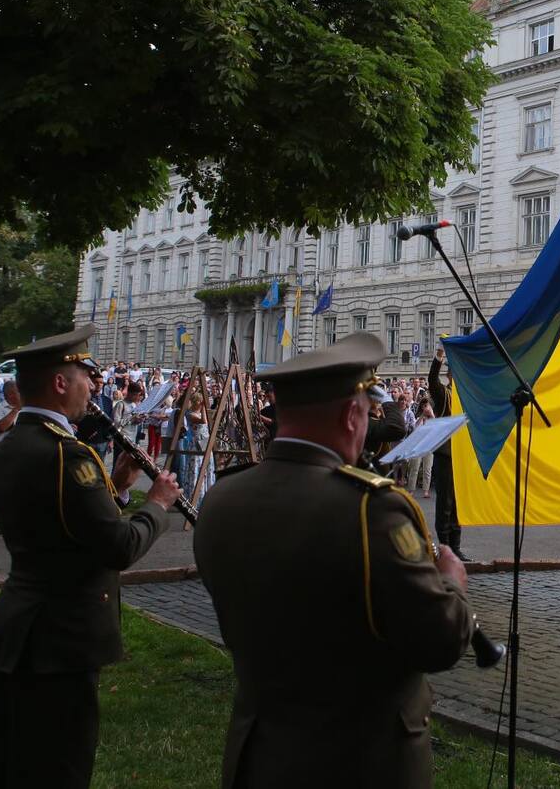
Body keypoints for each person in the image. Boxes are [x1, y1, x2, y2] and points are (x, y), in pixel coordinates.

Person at [193, 332, 473, 787]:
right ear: (350, 416)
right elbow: (440, 640)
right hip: (359, 760)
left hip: (260, 754)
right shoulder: (371, 511)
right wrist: (451, 581)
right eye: (366, 410)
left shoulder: (222, 497)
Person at [0, 326, 180, 789]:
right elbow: (117, 546)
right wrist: (157, 505)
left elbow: (64, 523)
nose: (92, 386)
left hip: (23, 623)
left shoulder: (13, 445)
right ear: (59, 382)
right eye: (85, 376)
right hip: (60, 634)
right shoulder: (68, 455)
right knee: (59, 763)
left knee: (10, 759)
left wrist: (120, 489)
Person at [425, 348, 470, 561]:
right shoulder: (445, 394)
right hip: (446, 455)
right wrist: (439, 358)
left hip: (462, 455)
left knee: (458, 504)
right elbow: (432, 381)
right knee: (446, 503)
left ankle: (456, 546)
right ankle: (445, 548)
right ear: (450, 375)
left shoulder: (468, 397)